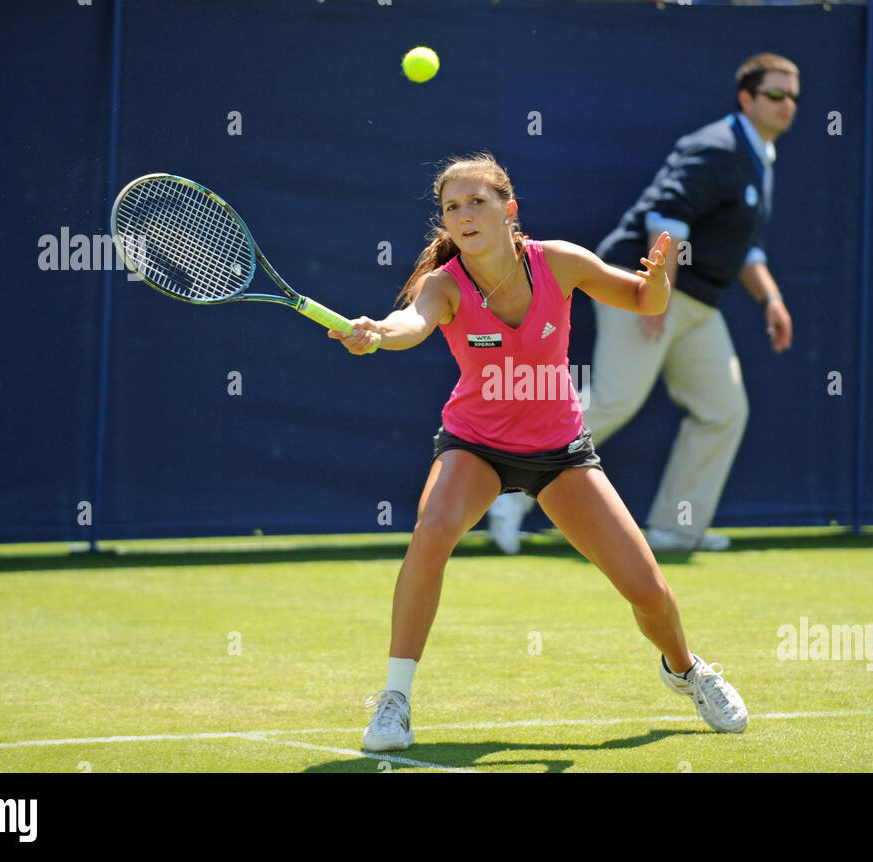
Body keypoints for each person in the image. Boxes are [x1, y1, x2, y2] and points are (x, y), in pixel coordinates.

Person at [330, 153, 749, 752]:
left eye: (478, 201)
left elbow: (645, 302)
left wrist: (657, 281)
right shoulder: (444, 286)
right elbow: (411, 324)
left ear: (509, 209)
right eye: (453, 206)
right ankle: (394, 701)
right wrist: (377, 333)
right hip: (475, 445)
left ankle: (686, 670)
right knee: (433, 531)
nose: (466, 215)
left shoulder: (560, 261)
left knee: (649, 591)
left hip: (560, 453)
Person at [488, 53, 797, 554]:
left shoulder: (760, 157)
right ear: (747, 98)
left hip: (698, 306)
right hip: (639, 289)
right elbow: (668, 216)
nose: (788, 105)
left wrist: (772, 299)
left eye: (794, 97)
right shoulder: (716, 147)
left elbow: (745, 246)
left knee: (723, 409)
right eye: (776, 94)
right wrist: (655, 296)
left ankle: (677, 529)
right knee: (614, 398)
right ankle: (509, 497)